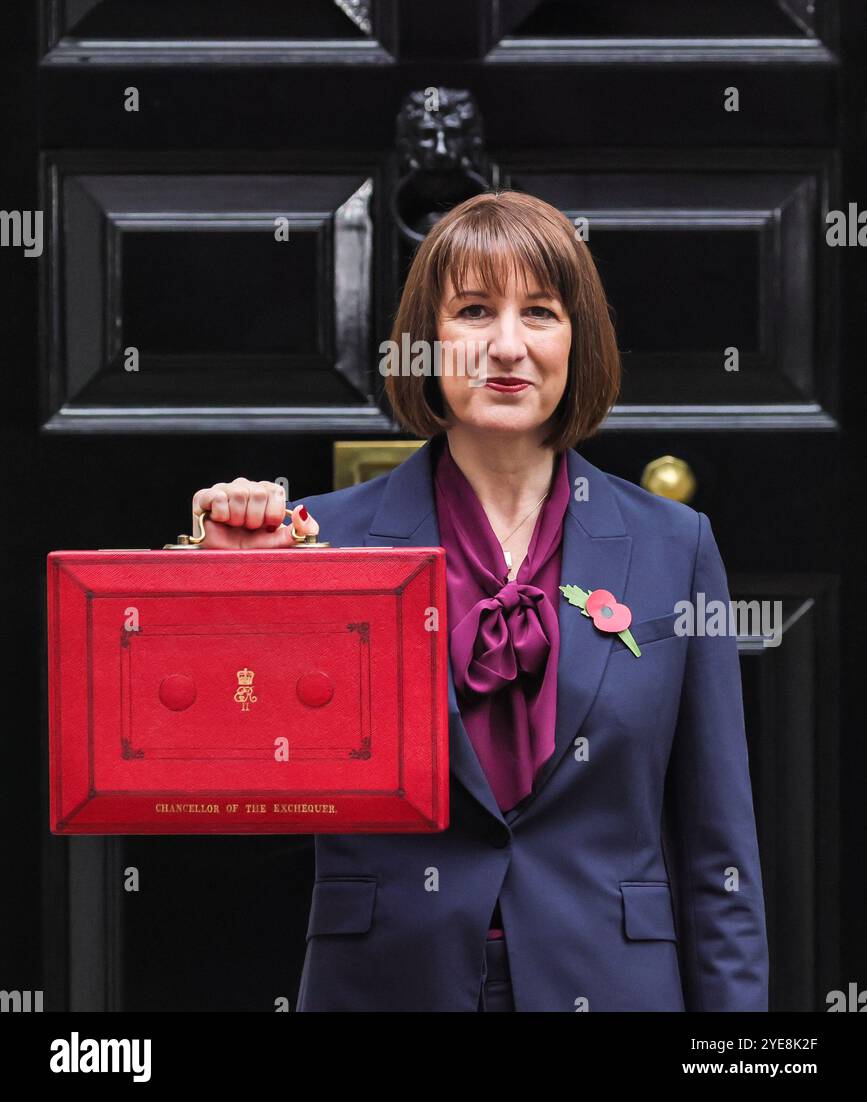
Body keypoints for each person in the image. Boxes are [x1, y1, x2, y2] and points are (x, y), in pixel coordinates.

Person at [193, 190, 769, 1012]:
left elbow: (720, 844)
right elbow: (228, 773)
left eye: (538, 312)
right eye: (471, 310)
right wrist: (226, 585)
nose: (506, 346)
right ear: (426, 345)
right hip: (385, 986)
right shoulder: (320, 540)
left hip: (611, 988)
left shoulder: (675, 547)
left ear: (579, 343)